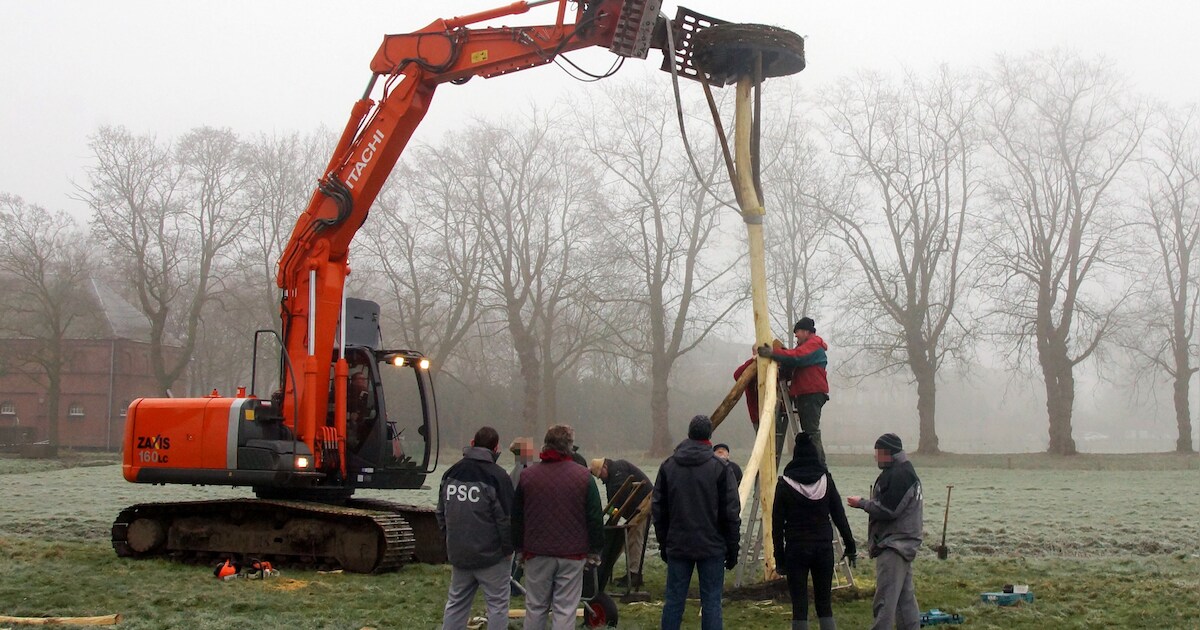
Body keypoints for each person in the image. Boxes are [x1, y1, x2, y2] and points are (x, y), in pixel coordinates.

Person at [653, 415, 742, 630]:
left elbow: (659, 509)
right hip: (711, 546)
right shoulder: (721, 468)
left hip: (678, 544)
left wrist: (665, 543)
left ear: (689, 434)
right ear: (710, 436)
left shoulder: (668, 467)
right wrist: (732, 548)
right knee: (712, 602)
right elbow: (731, 513)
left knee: (674, 601)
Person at [512, 424, 605, 630]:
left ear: (546, 444)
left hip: (536, 552)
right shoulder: (583, 477)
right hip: (572, 553)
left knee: (535, 607)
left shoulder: (527, 476)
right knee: (565, 609)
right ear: (570, 446)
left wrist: (519, 548)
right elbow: (594, 517)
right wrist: (595, 549)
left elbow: (517, 517)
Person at [773, 433, 857, 630]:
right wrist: (850, 544)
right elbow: (839, 516)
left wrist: (780, 559)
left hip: (796, 549)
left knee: (799, 606)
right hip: (823, 548)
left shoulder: (784, 484)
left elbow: (776, 525)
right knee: (824, 604)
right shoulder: (826, 480)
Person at [437, 426, 515, 630]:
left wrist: (451, 539)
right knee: (497, 605)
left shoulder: (450, 473)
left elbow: (440, 513)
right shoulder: (498, 476)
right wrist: (508, 549)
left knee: (456, 604)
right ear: (496, 448)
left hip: (459, 553)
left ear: (472, 443)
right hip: (492, 557)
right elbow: (505, 519)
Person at [847, 433, 924, 630]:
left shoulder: (899, 475)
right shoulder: (904, 471)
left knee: (885, 602)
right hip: (903, 544)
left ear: (889, 453)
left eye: (878, 453)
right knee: (904, 602)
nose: (875, 457)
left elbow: (889, 510)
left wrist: (862, 503)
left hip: (893, 545)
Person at [758, 317, 830, 463]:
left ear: (806, 332)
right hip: (807, 393)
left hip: (811, 392)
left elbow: (796, 357)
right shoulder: (808, 346)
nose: (796, 336)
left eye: (797, 332)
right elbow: (793, 359)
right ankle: (815, 463)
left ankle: (819, 464)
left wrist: (773, 353)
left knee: (811, 431)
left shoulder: (814, 345)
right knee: (809, 430)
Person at [588, 457, 652, 589]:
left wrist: (612, 516)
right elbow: (614, 501)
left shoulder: (618, 469)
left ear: (604, 467)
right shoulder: (611, 479)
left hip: (646, 503)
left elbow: (620, 496)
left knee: (635, 536)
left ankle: (635, 575)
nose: (601, 479)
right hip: (637, 508)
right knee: (629, 538)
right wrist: (611, 515)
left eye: (601, 476)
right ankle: (632, 572)